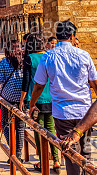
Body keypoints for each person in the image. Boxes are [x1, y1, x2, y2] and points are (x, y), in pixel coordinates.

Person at [29, 20, 97, 175]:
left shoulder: (48, 57)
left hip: (63, 115)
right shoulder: (84, 55)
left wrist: (31, 104)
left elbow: (39, 86)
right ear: (72, 36)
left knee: (71, 155)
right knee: (86, 153)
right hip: (85, 113)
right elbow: (96, 85)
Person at [19, 34, 60, 173]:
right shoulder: (50, 56)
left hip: (35, 100)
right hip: (52, 99)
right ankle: (56, 160)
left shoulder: (29, 59)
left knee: (38, 130)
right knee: (51, 129)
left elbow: (26, 82)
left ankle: (43, 161)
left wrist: (22, 101)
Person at [0, 40, 25, 161]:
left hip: (7, 99)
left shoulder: (4, 62)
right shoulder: (25, 61)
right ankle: (18, 154)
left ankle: (12, 149)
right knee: (20, 127)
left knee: (5, 125)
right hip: (22, 99)